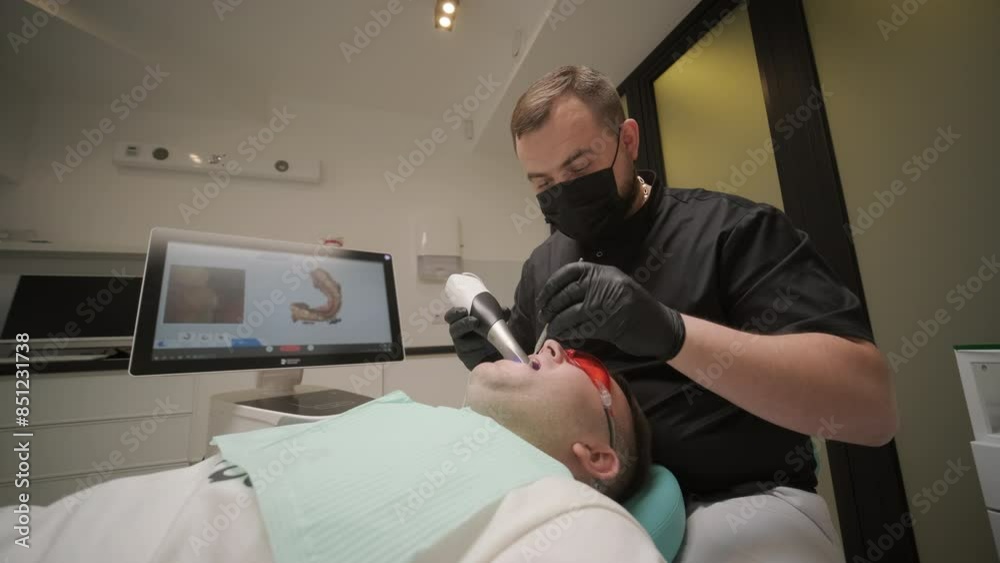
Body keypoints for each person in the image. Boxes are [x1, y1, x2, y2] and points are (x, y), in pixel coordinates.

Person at [446, 65, 897, 562]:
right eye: (543, 183)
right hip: (593, 515)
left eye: (578, 168)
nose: (563, 192)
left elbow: (870, 410)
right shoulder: (545, 264)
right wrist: (494, 353)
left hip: (740, 511)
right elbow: (536, 394)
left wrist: (673, 335)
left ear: (629, 139)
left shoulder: (734, 233)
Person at [1, 341, 665, 563]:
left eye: (577, 361)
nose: (546, 345)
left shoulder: (572, 514)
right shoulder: (422, 423)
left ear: (597, 454)